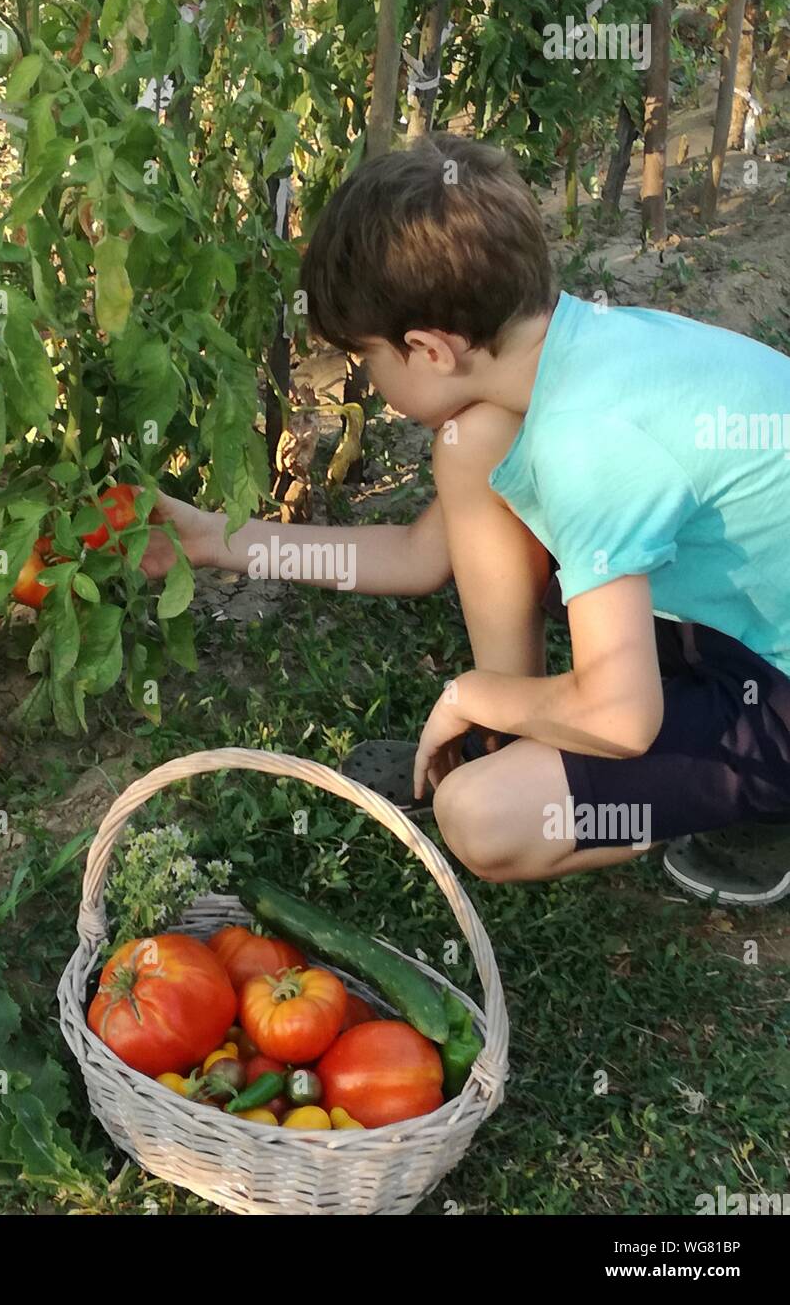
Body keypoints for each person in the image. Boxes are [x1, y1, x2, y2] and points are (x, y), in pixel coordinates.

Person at [141, 132, 790, 906]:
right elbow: (420, 555)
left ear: (427, 349)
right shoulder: (581, 352)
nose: (370, 384)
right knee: (471, 443)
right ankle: (527, 737)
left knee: (482, 815)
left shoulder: (588, 444)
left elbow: (621, 718)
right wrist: (214, 540)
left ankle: (750, 800)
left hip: (768, 683)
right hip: (732, 626)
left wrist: (471, 695)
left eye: (369, 362)